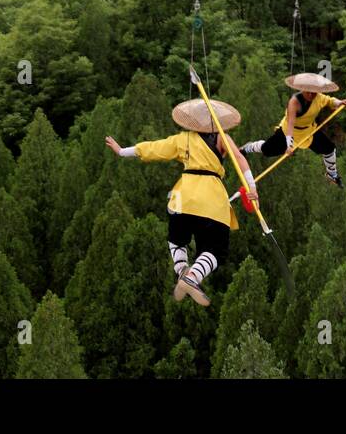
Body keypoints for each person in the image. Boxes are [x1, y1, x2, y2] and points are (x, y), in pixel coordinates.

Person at [105, 97, 257, 307]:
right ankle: (193, 276)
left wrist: (123, 151)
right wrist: (252, 187)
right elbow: (240, 159)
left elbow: (154, 148)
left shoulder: (183, 139)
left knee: (177, 238)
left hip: (182, 198)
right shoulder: (223, 138)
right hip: (211, 200)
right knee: (215, 249)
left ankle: (181, 269)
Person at [240, 73, 346, 187]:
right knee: (267, 150)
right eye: (307, 91)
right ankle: (249, 147)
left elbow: (329, 101)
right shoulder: (294, 102)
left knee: (329, 148)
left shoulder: (319, 97)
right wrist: (289, 145)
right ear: (302, 89)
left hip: (309, 132)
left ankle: (332, 174)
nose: (310, 94)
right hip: (287, 132)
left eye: (313, 92)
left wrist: (340, 102)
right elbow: (290, 124)